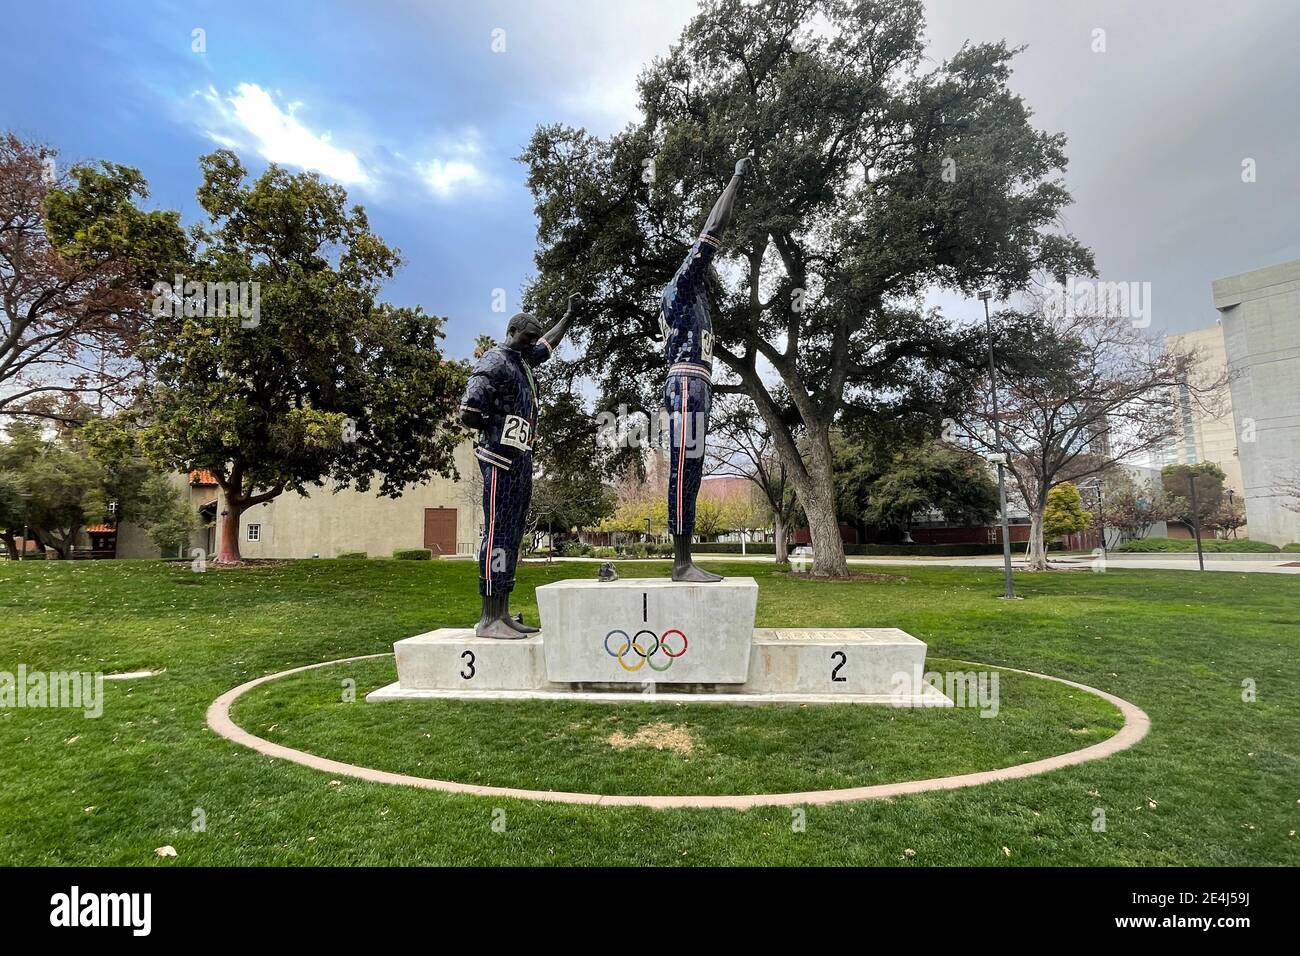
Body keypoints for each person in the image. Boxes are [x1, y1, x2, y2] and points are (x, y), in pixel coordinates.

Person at [459, 294, 581, 637]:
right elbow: (469, 408)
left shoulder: (522, 360)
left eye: (532, 339)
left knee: (512, 533)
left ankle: (504, 611)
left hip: (521, 457)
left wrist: (569, 315)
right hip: (499, 458)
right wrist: (494, 428)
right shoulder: (494, 362)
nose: (531, 344)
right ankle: (489, 617)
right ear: (511, 331)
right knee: (498, 532)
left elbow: (549, 343)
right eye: (526, 337)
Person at [661, 156, 753, 582]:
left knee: (693, 466)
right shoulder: (682, 286)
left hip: (699, 385)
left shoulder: (697, 303)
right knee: (684, 464)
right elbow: (713, 228)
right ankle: (681, 563)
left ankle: (686, 559)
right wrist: (735, 179)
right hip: (685, 383)